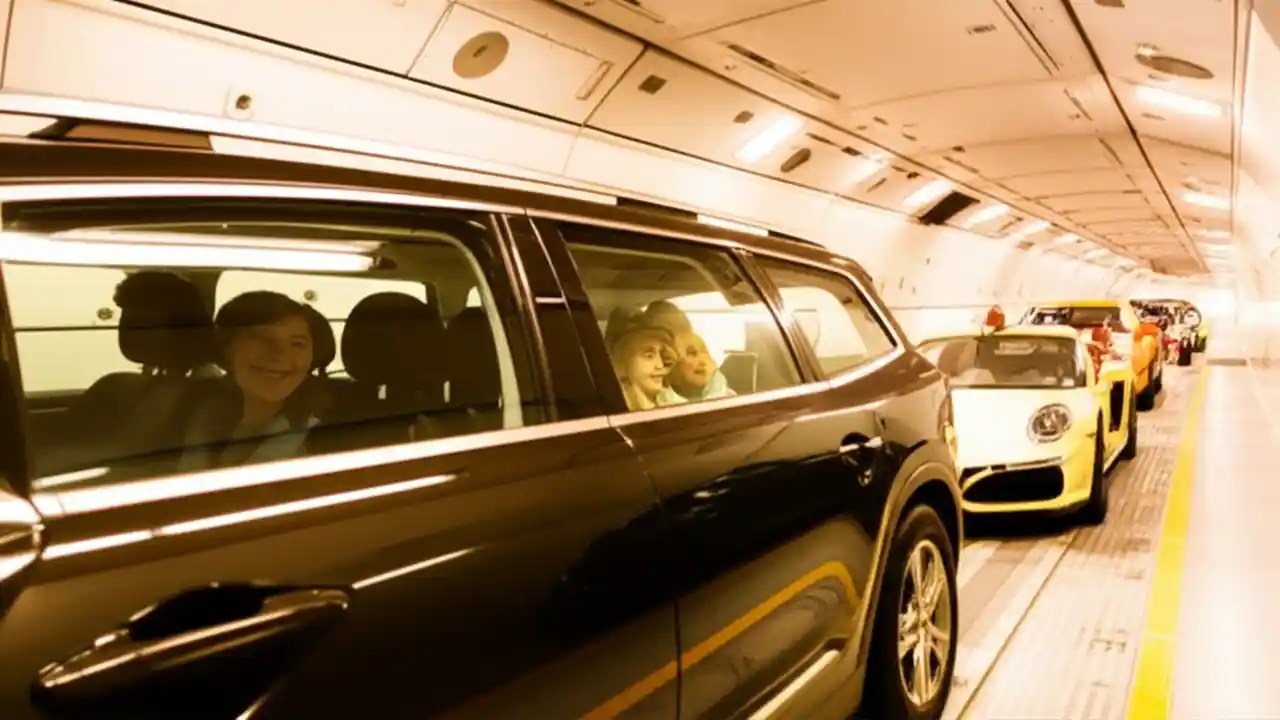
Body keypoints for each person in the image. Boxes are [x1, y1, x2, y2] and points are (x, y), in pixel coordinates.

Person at [178, 291, 328, 471]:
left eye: (297, 344)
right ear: (227, 348)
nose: (279, 355)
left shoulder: (337, 429)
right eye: (262, 339)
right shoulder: (192, 410)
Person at [642, 300, 737, 403]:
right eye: (692, 353)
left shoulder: (729, 397)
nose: (703, 361)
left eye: (706, 353)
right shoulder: (652, 404)